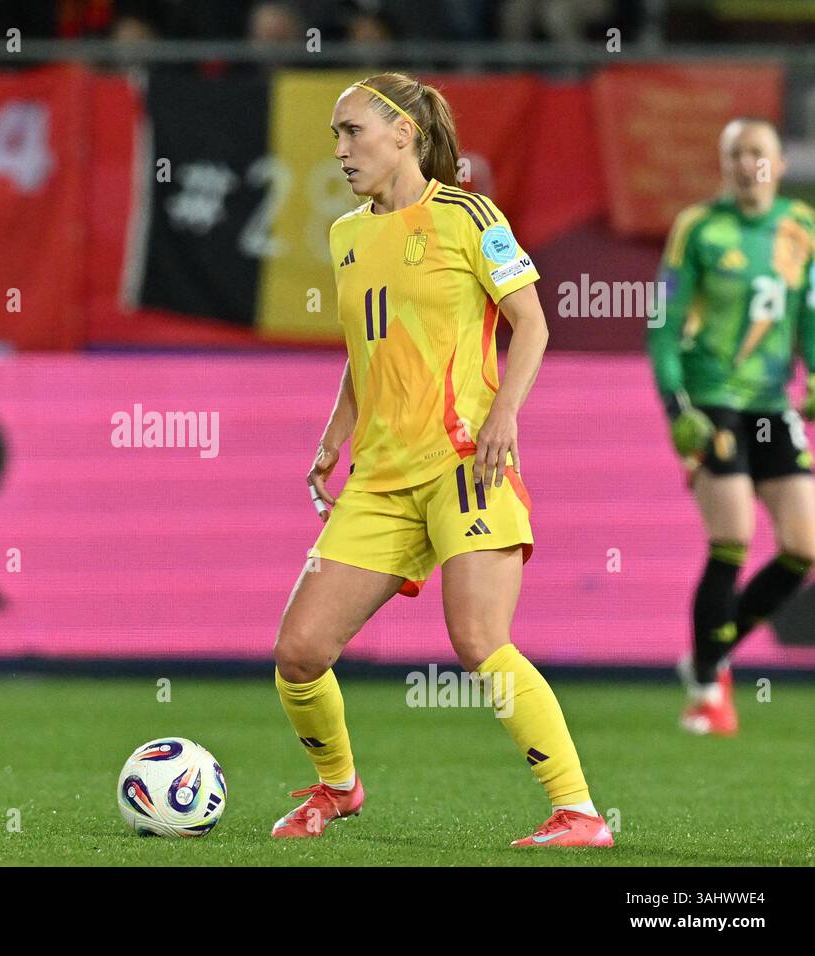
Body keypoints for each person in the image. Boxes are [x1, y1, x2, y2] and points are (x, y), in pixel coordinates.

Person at [271, 71, 612, 847]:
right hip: (382, 479)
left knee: (478, 639)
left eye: (353, 131)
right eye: (334, 134)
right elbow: (367, 351)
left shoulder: (468, 215)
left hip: (465, 463)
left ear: (405, 135)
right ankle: (337, 788)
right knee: (299, 652)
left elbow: (532, 325)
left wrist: (503, 416)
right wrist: (335, 434)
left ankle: (579, 813)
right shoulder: (346, 234)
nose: (340, 148)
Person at [648, 117, 815, 736]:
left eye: (759, 153)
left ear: (778, 160)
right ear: (724, 163)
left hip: (771, 404)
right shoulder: (699, 228)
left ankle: (706, 655)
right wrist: (677, 410)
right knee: (735, 536)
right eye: (737, 154)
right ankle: (704, 689)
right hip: (711, 398)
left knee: (803, 547)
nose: (748, 164)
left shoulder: (801, 226)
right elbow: (662, 328)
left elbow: (811, 314)